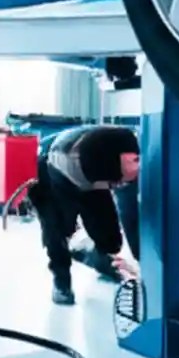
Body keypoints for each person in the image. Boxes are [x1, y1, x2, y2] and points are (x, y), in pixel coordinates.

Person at [27, 125, 141, 305]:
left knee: (110, 241)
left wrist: (141, 257)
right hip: (51, 172)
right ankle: (61, 282)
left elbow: (130, 213)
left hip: (93, 163)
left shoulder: (124, 144)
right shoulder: (70, 165)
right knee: (58, 229)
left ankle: (92, 256)